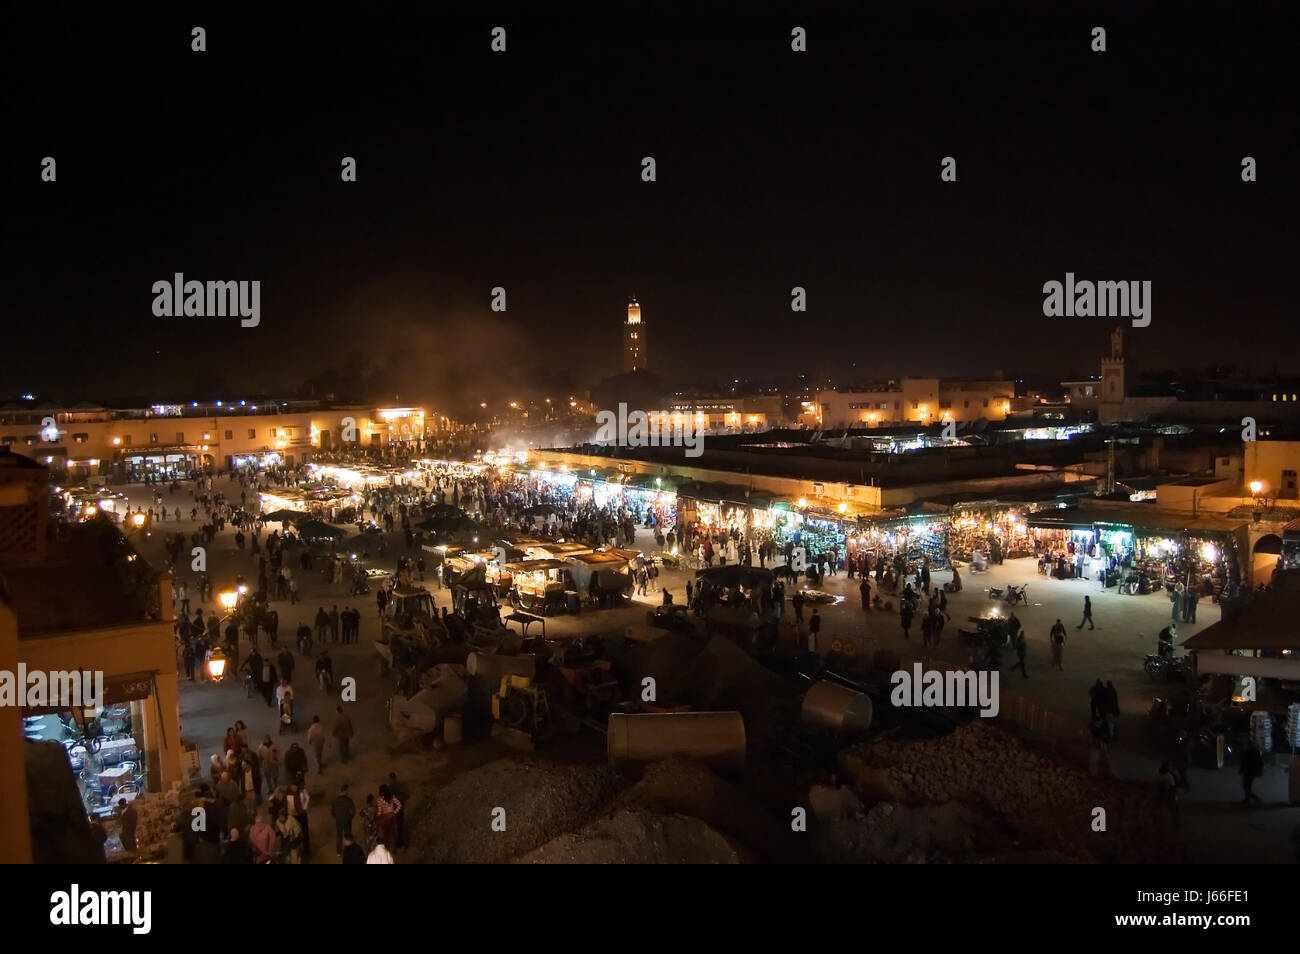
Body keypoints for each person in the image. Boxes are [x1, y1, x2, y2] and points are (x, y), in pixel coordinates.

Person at [332, 783, 357, 857]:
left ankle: (338, 852)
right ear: (345, 791)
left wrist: (337, 817)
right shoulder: (348, 800)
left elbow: (332, 812)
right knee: (347, 836)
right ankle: (348, 850)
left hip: (338, 821)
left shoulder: (335, 800)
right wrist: (349, 817)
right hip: (347, 821)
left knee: (339, 836)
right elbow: (353, 812)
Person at [377, 784, 401, 850]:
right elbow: (399, 805)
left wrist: (378, 817)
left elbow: (379, 811)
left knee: (385, 835)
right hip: (392, 817)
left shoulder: (379, 799)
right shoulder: (392, 797)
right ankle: (394, 848)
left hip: (384, 818)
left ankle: (387, 849)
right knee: (392, 833)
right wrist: (394, 813)